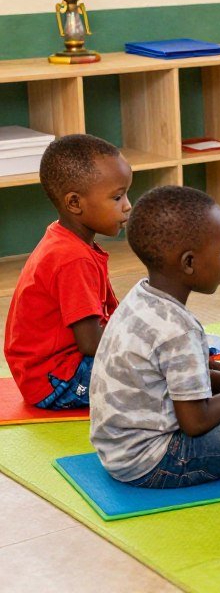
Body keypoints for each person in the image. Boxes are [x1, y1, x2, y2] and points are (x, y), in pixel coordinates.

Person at [89, 186, 220, 488]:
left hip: (119, 451)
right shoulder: (180, 329)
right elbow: (196, 422)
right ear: (188, 263)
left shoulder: (141, 296)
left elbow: (177, 381)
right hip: (158, 460)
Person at [4, 134, 131, 409]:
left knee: (161, 359)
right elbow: (91, 344)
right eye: (117, 197)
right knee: (156, 372)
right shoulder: (72, 258)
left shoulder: (68, 240)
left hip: (54, 370)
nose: (127, 205)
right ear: (75, 203)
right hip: (57, 380)